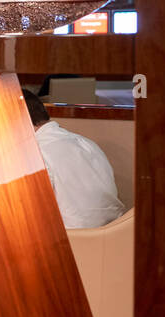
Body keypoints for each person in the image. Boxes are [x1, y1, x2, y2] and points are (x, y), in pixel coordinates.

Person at [23, 89, 125, 229]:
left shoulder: (35, 155)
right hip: (113, 235)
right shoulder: (87, 143)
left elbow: (29, 215)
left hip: (71, 241)